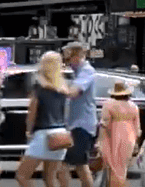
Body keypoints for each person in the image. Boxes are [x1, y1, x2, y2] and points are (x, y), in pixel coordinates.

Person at [17, 52, 72, 187]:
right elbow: (66, 113)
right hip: (60, 134)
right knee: (50, 178)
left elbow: (32, 112)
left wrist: (29, 131)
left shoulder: (39, 87)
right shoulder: (63, 89)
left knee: (22, 175)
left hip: (43, 134)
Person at [60, 42, 98, 187]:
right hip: (76, 124)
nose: (67, 62)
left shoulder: (86, 71)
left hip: (82, 125)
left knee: (66, 164)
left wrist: (56, 83)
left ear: (76, 56)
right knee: (80, 165)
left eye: (68, 57)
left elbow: (74, 92)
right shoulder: (77, 71)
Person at [97, 81, 142, 187]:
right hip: (129, 136)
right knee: (122, 167)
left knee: (112, 167)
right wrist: (136, 143)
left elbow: (104, 123)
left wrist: (99, 140)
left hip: (112, 136)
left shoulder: (108, 104)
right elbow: (138, 128)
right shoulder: (133, 106)